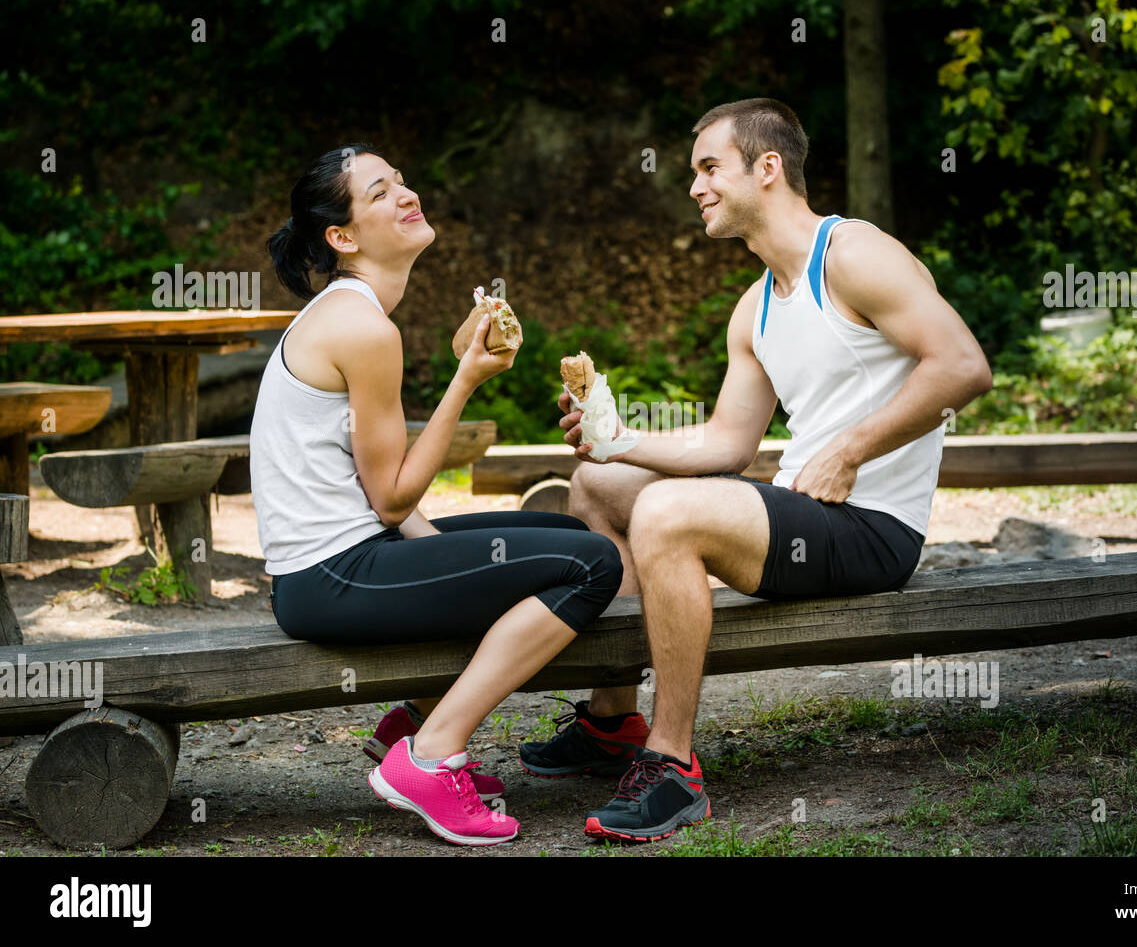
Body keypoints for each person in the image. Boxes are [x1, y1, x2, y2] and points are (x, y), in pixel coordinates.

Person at [518, 99, 993, 841]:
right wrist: (616, 440)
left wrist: (851, 448)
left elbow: (964, 366)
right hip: (804, 510)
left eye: (710, 168)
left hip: (874, 530)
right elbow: (728, 443)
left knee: (667, 515)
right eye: (693, 173)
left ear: (767, 167)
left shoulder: (854, 253)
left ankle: (672, 766)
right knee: (599, 488)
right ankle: (612, 717)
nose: (695, 187)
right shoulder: (757, 306)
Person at [252, 143, 622, 846]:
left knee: (573, 542)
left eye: (401, 178)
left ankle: (415, 716)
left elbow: (369, 485)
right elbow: (389, 498)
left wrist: (448, 555)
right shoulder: (363, 327)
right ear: (344, 236)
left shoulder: (350, 312)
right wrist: (466, 379)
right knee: (593, 566)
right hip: (330, 577)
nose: (405, 193)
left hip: (340, 562)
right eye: (380, 191)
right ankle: (427, 754)